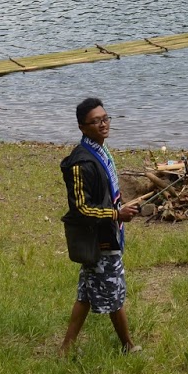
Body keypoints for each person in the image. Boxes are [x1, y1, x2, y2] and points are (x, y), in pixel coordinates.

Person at [58, 97, 140, 355]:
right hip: (98, 236)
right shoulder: (81, 163)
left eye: (105, 118)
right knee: (113, 292)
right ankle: (128, 345)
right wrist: (116, 215)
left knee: (86, 293)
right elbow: (81, 209)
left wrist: (120, 209)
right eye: (96, 121)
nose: (103, 124)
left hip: (107, 231)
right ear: (82, 127)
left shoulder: (100, 151)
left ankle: (65, 349)